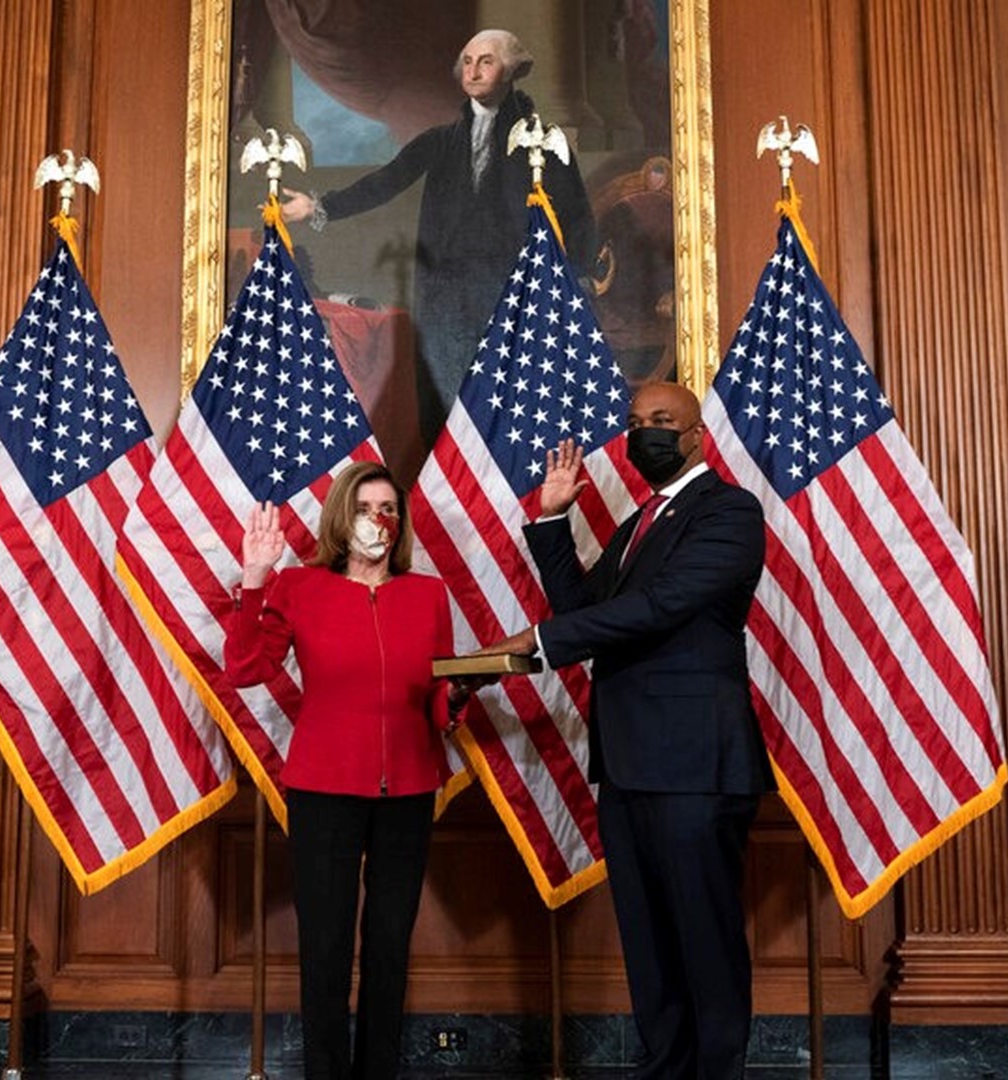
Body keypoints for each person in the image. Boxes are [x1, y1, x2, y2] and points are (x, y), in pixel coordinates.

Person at [483, 381, 771, 1079]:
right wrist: (554, 519)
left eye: (663, 421)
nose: (647, 433)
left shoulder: (729, 511)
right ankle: (664, 1069)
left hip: (696, 765)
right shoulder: (641, 521)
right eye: (637, 422)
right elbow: (586, 611)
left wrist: (540, 641)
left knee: (704, 939)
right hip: (627, 761)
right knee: (648, 940)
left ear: (697, 436)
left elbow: (662, 606)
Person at [223, 459, 483, 1080]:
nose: (378, 520)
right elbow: (245, 669)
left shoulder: (427, 594)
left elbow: (436, 700)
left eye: (388, 509)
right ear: (342, 517)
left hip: (410, 789)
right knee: (327, 946)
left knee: (390, 945)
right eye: (365, 509)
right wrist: (255, 579)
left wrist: (459, 693)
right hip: (324, 789)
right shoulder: (299, 587)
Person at [281, 28, 596, 451]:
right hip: (447, 303)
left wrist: (576, 279)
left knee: (513, 415)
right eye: (468, 62)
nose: (474, 71)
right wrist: (318, 206)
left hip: (514, 297)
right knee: (449, 414)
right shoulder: (441, 141)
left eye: (486, 61)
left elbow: (576, 215)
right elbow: (385, 182)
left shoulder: (540, 143)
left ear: (511, 70)